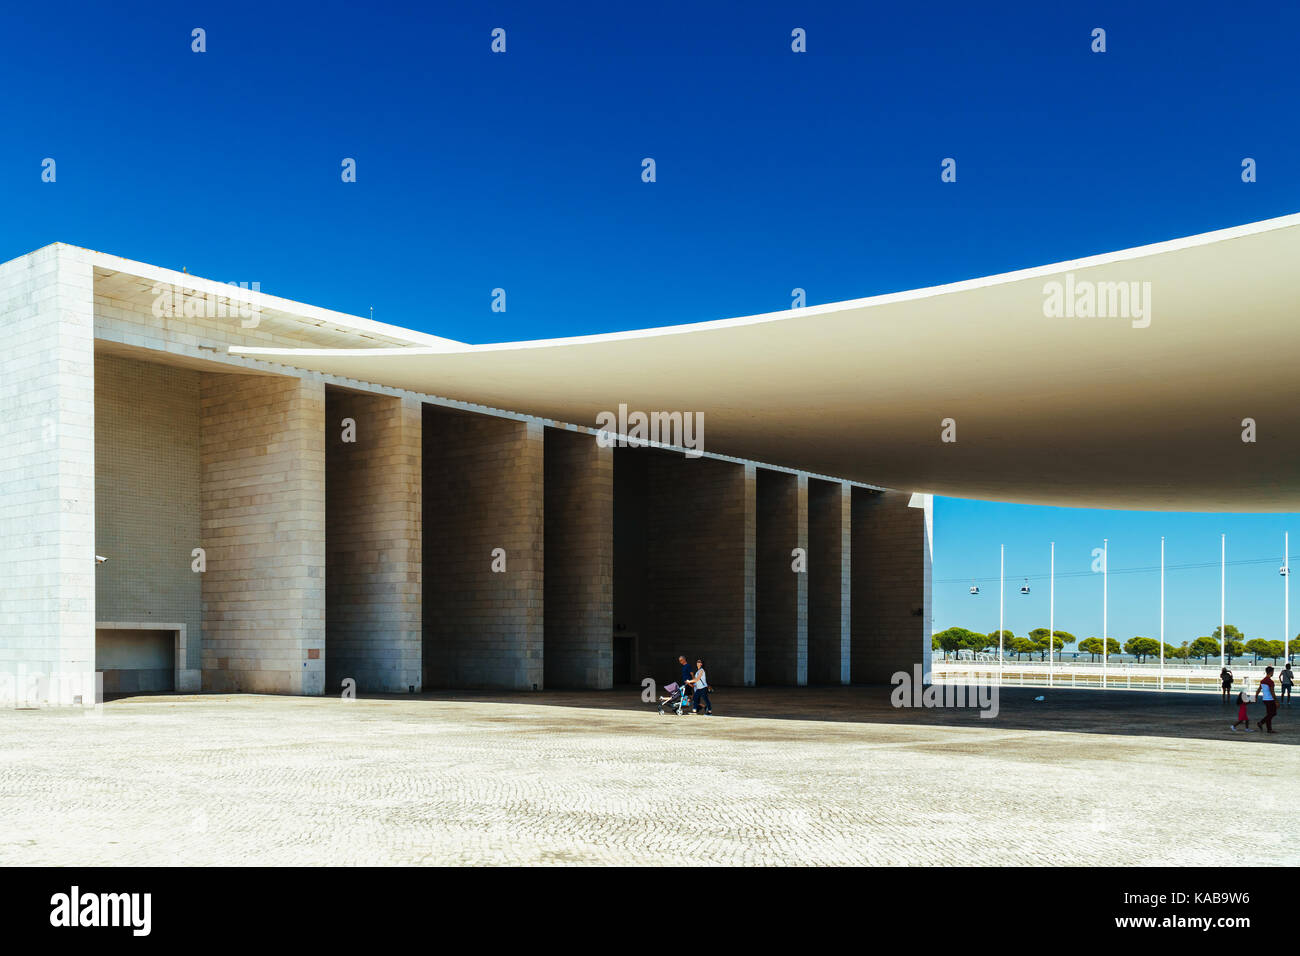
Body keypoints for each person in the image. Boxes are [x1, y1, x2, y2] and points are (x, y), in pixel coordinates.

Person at [1255, 666, 1279, 734]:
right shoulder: (1270, 681)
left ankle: (1269, 729)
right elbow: (1272, 692)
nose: (1273, 673)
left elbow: (1259, 689)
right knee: (1273, 713)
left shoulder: (1262, 681)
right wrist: (1276, 701)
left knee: (1269, 714)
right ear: (1271, 672)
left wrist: (1256, 696)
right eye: (1273, 672)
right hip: (1270, 700)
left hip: (1265, 699)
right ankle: (1261, 723)